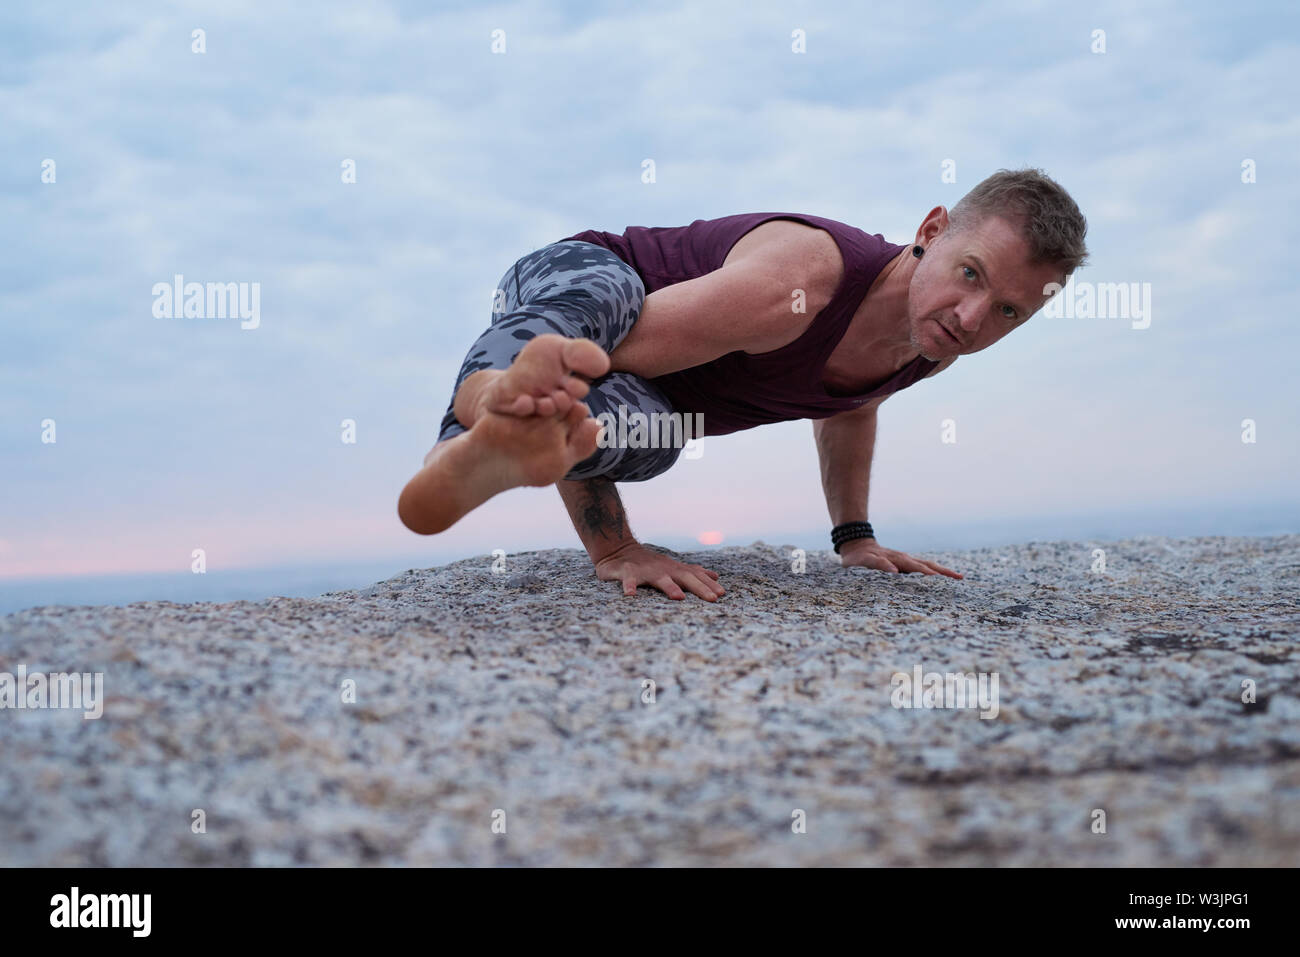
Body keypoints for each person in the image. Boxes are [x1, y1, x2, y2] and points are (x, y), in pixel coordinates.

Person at [397, 167, 1088, 602]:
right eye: (971, 272)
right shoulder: (799, 281)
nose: (974, 318)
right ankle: (482, 411)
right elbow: (597, 359)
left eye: (1009, 311)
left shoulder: (933, 342)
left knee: (657, 436)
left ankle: (497, 448)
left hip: (640, 387)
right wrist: (612, 547)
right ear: (932, 230)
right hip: (581, 285)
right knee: (597, 303)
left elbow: (851, 405)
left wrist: (854, 537)